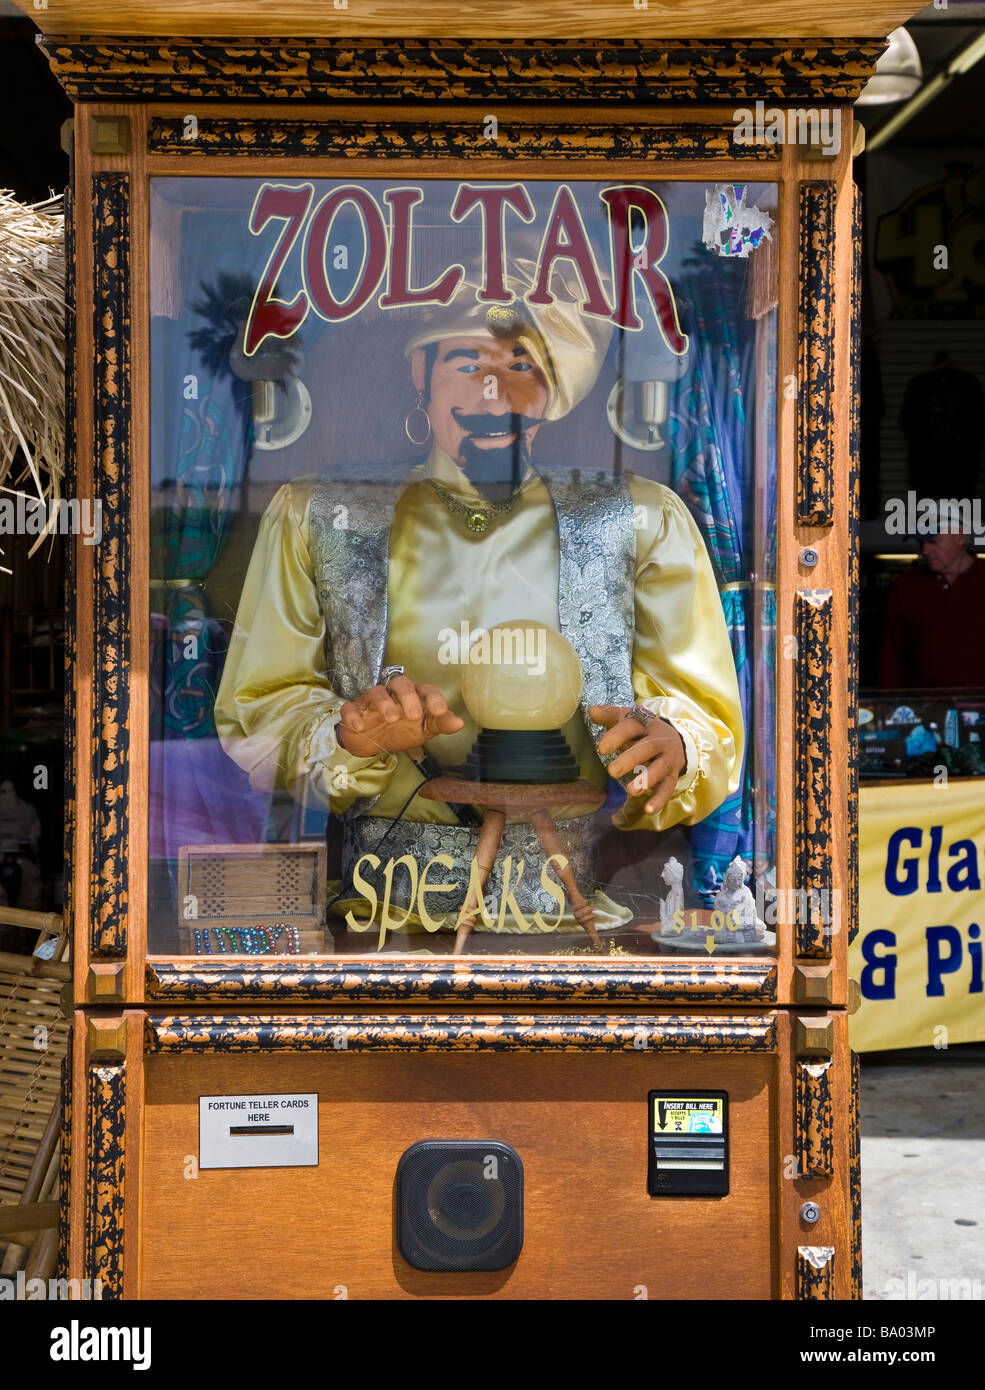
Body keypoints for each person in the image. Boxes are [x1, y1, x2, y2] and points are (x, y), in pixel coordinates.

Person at [215, 263, 744, 938]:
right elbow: (259, 709)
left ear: (552, 389)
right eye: (467, 364)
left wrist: (671, 746)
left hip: (574, 925)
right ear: (420, 376)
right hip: (380, 925)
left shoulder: (640, 520)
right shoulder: (315, 516)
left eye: (522, 364)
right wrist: (347, 737)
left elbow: (707, 721)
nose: (494, 391)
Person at [880, 512, 985, 689]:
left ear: (960, 536)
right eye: (921, 543)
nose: (925, 551)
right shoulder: (907, 586)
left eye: (933, 541)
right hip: (923, 709)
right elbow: (891, 656)